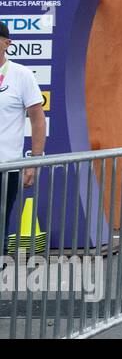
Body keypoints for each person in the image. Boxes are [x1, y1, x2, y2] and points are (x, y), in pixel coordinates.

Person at [0, 21, 47, 249]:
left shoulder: (21, 75)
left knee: (0, 222)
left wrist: (33, 162)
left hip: (5, 167)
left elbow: (38, 119)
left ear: (7, 43)